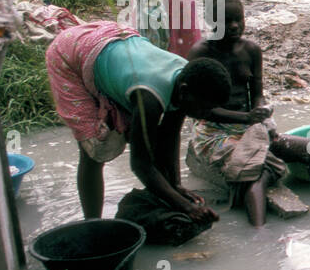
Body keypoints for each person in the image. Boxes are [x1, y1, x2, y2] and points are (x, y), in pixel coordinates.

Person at [45, 19, 230, 222]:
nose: (205, 114)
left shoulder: (187, 79)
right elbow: (140, 164)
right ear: (185, 91)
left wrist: (176, 186)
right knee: (95, 150)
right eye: (204, 107)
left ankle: (165, 190)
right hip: (70, 54)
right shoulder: (149, 98)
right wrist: (186, 207)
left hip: (114, 40)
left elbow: (170, 135)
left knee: (145, 135)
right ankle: (93, 223)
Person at [188, 0, 310, 226]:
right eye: (226, 21)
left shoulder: (251, 50)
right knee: (258, 170)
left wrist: (261, 118)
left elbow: (258, 95)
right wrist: (246, 118)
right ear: (211, 23)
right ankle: (260, 232)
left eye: (238, 20)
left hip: (249, 126)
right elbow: (199, 110)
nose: (234, 26)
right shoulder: (201, 54)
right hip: (215, 132)